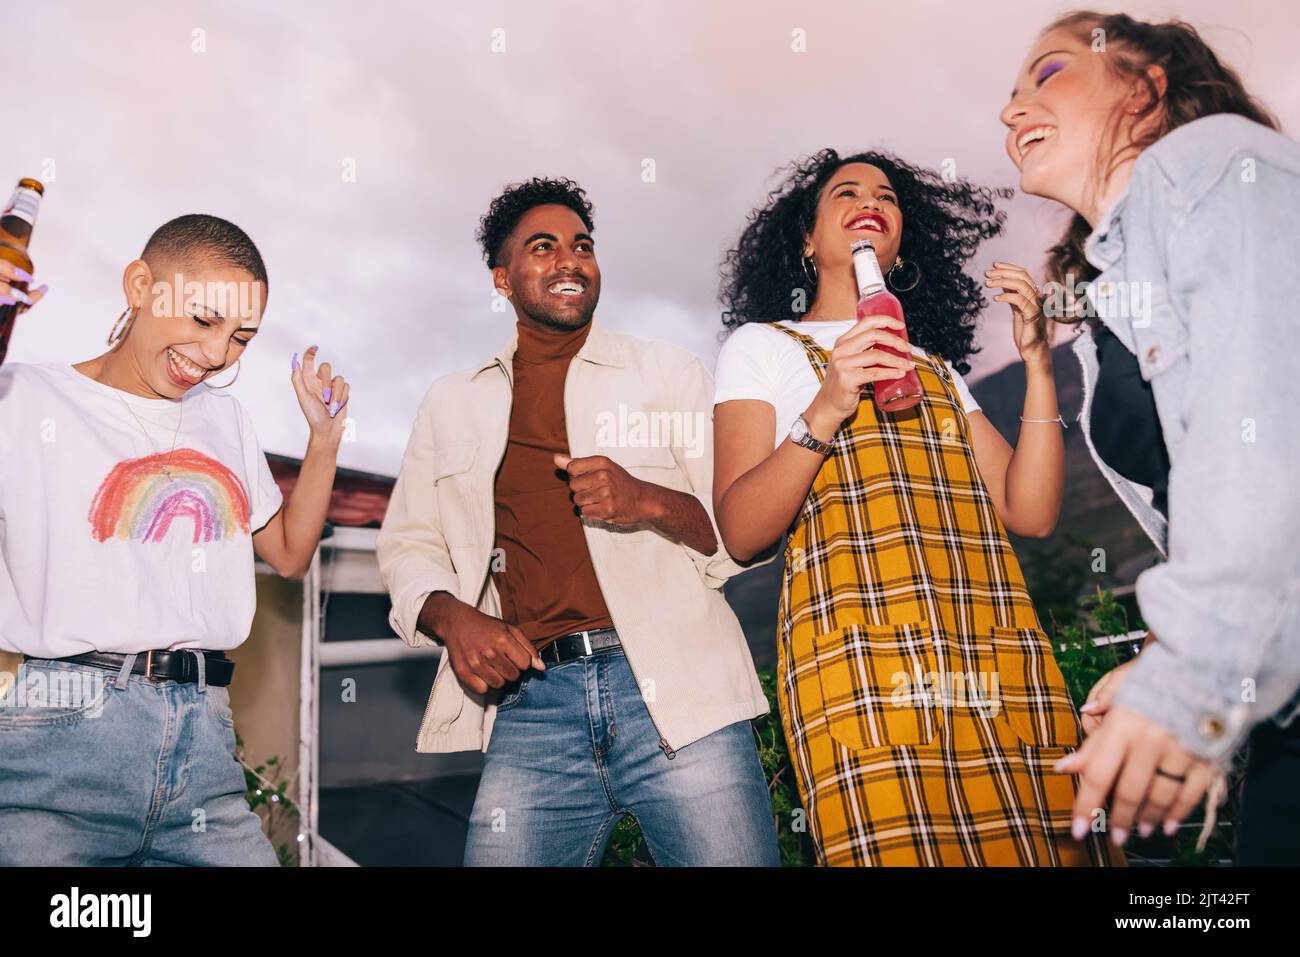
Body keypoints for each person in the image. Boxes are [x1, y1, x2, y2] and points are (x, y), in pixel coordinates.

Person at [712, 149, 1121, 865]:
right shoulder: (763, 349)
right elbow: (743, 531)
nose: (871, 200)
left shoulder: (932, 369)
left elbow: (1030, 512)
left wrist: (1034, 360)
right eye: (845, 192)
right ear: (806, 241)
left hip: (994, 668)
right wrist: (829, 402)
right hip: (863, 679)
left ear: (899, 245)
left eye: (887, 196)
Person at [377, 177, 778, 866]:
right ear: (501, 278)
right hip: (532, 707)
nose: (570, 260)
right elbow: (411, 545)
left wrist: (648, 500)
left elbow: (738, 533)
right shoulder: (450, 402)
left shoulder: (669, 373)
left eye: (582, 245)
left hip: (679, 690)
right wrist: (452, 617)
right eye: (543, 246)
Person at [1000, 11, 1300, 862]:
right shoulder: (1111, 302)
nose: (1009, 110)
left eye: (1046, 73)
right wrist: (1165, 656)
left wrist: (1192, 677)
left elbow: (1270, 437)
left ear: (1144, 88)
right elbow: (1207, 489)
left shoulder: (1209, 167)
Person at [0, 213, 349, 865]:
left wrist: (324, 443)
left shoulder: (225, 418)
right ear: (140, 285)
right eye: (203, 319)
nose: (217, 354)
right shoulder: (23, 399)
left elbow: (291, 556)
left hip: (205, 755)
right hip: (54, 750)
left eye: (242, 336)